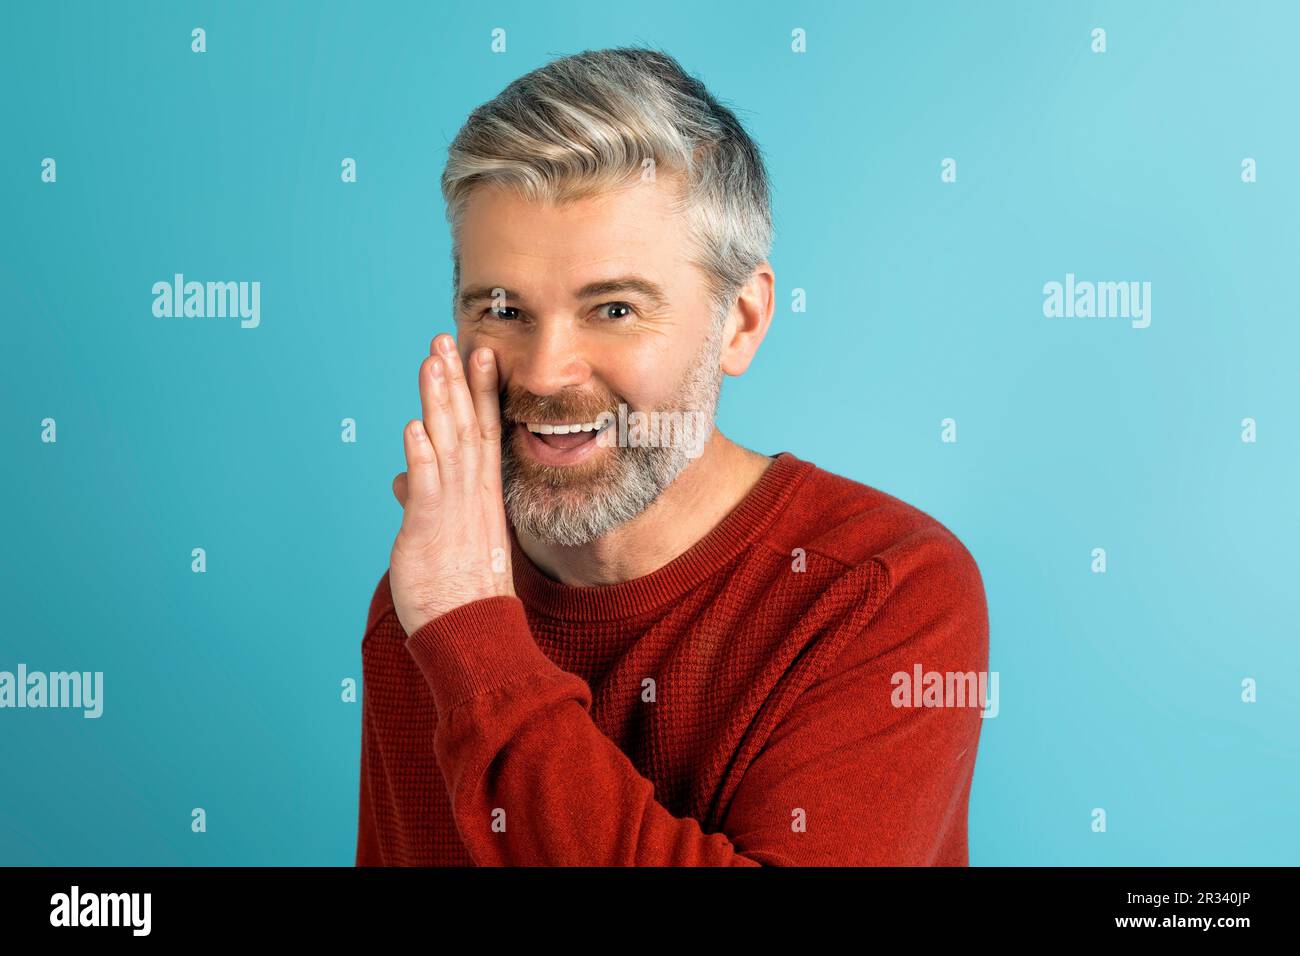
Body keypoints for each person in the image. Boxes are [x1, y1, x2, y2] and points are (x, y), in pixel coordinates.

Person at [356, 46, 989, 866]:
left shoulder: (885, 591)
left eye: (614, 308)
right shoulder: (433, 598)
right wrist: (457, 621)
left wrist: (475, 641)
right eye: (504, 309)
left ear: (742, 321)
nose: (547, 372)